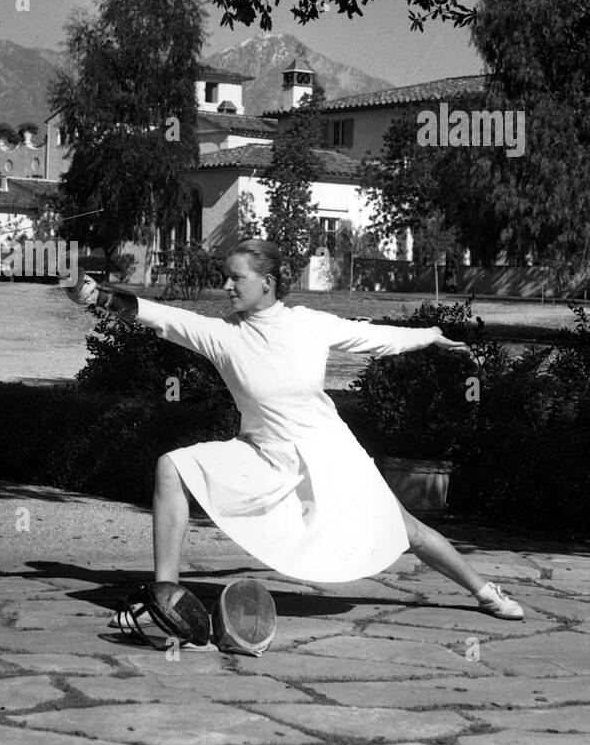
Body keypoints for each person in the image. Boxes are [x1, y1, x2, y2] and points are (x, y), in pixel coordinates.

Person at [67, 239, 524, 620]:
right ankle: (163, 597)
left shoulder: (309, 325)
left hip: (332, 455)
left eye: (236, 278)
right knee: (172, 466)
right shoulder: (221, 334)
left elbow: (377, 338)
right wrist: (93, 295)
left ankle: (485, 592)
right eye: (226, 277)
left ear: (266, 283)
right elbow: (159, 315)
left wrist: (429, 334)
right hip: (263, 456)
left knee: (409, 532)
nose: (226, 286)